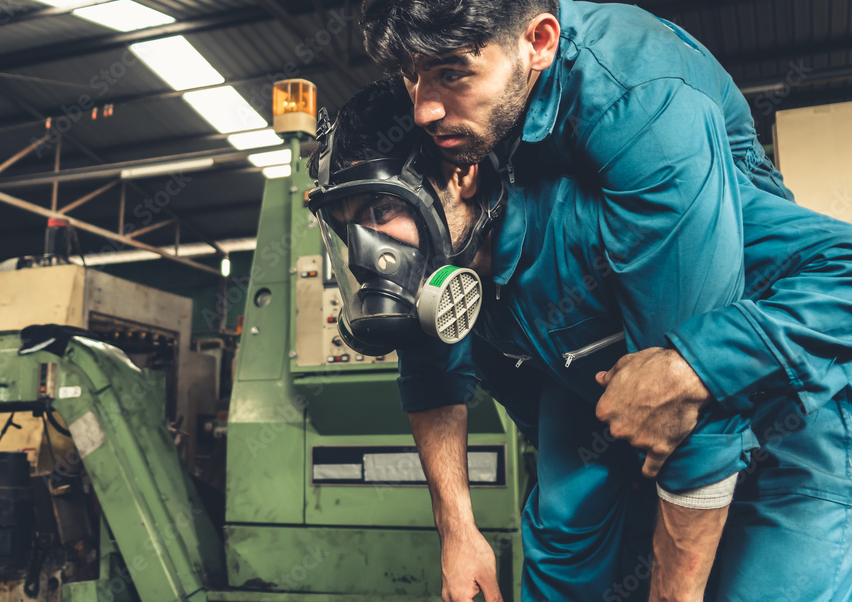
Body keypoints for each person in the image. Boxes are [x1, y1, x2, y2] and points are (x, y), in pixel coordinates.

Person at [306, 78, 852, 601]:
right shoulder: (457, 280)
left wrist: (699, 364)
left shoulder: (626, 214)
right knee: (560, 551)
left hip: (790, 436)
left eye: (381, 210)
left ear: (460, 173)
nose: (365, 253)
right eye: (347, 226)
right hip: (630, 432)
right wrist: (459, 533)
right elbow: (430, 380)